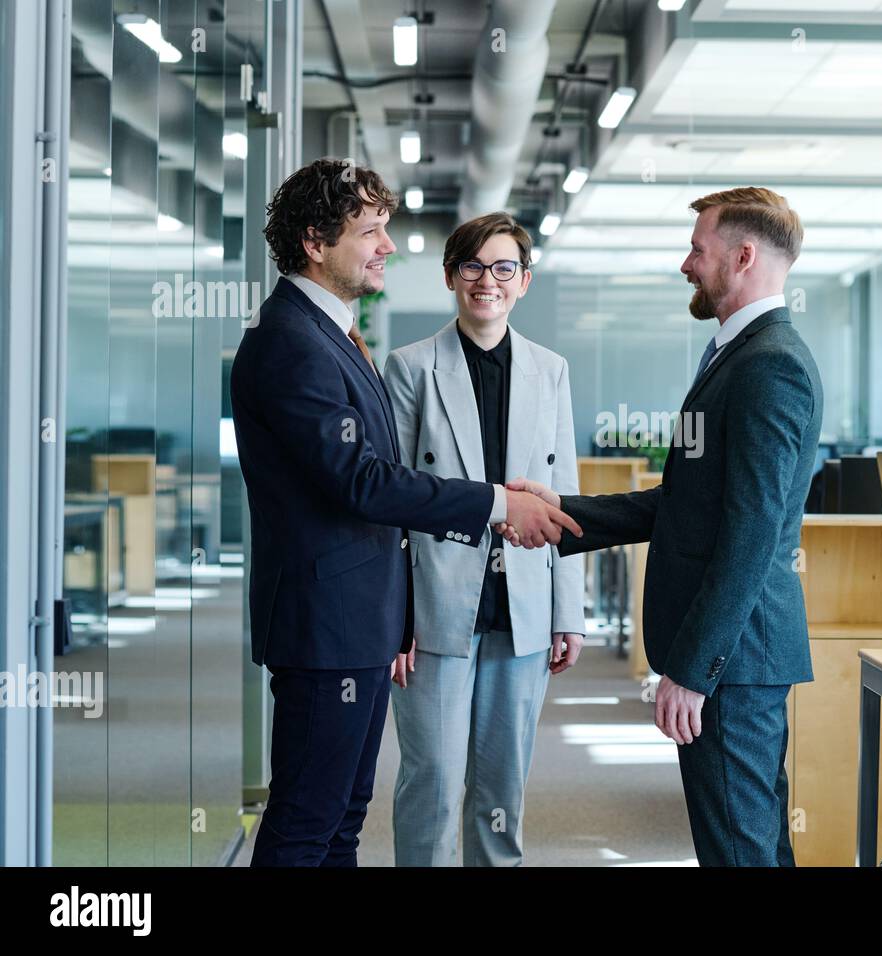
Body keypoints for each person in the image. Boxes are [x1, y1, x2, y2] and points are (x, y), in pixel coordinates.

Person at [230, 159, 579, 867]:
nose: (388, 245)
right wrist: (492, 503)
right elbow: (364, 482)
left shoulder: (331, 334)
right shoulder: (295, 343)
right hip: (330, 624)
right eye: (371, 231)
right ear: (314, 241)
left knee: (339, 821)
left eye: (386, 229)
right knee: (309, 822)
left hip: (361, 619)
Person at [507, 187, 823, 866]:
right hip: (737, 659)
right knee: (748, 842)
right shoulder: (739, 357)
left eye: (697, 250)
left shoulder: (769, 366)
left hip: (734, 662)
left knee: (740, 847)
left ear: (742, 256)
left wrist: (693, 669)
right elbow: (682, 504)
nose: (686, 265)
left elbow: (751, 535)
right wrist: (561, 510)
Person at [384, 212, 585, 866]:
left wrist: (568, 614)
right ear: (451, 276)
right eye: (471, 266)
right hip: (436, 607)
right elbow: (392, 501)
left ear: (523, 281)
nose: (486, 281)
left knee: (501, 790)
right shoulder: (411, 367)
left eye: (503, 268)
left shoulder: (551, 371)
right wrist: (393, 620)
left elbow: (564, 499)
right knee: (434, 782)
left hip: (522, 610)